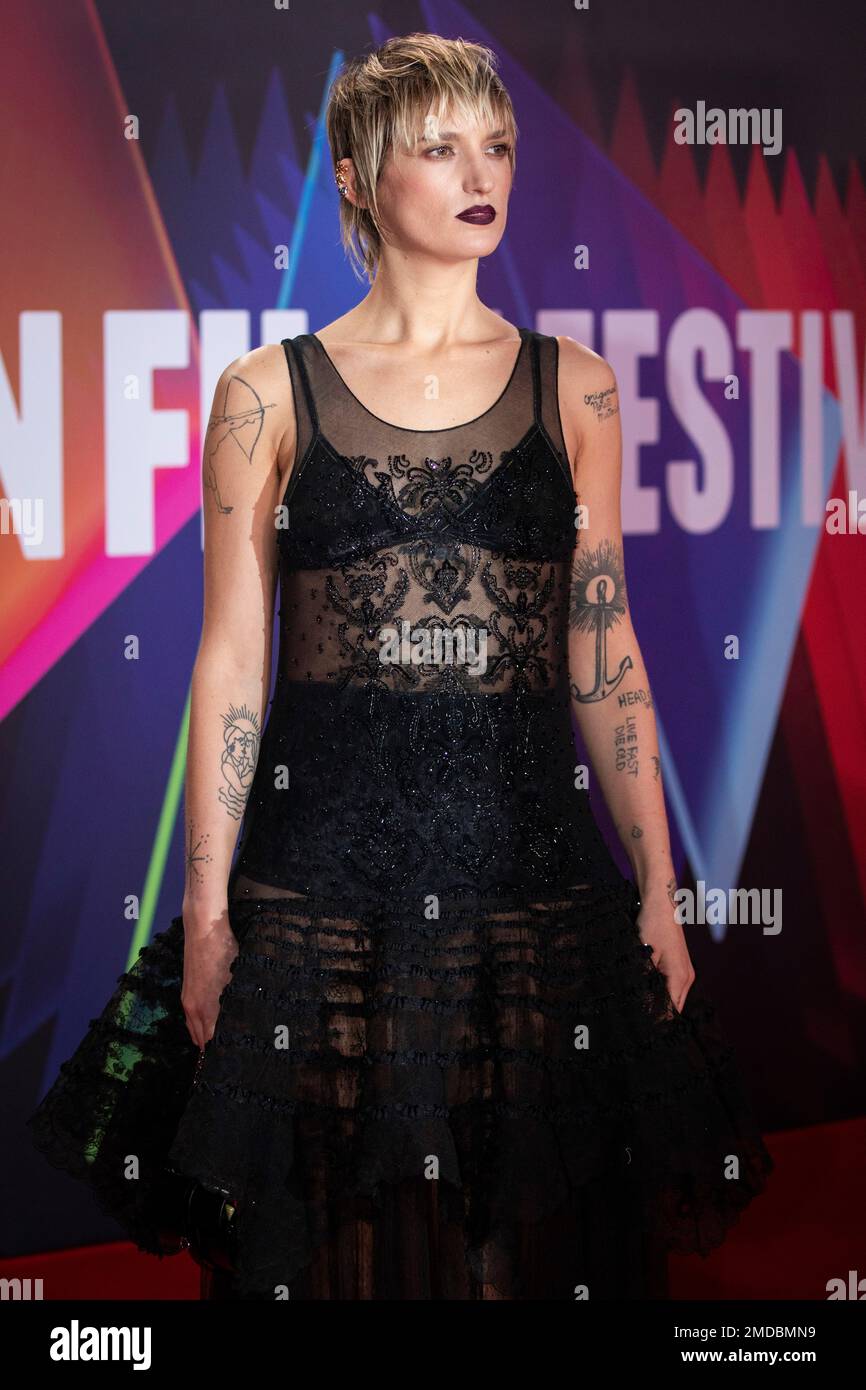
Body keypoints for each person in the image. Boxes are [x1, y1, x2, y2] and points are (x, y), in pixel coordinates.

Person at [27, 32, 773, 1301]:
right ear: (360, 179)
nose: (479, 169)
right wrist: (206, 911)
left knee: (534, 1254)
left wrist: (658, 877)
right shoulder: (263, 396)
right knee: (339, 1260)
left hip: (534, 901)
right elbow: (231, 662)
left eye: (495, 143)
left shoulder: (575, 390)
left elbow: (604, 650)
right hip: (318, 907)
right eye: (438, 146)